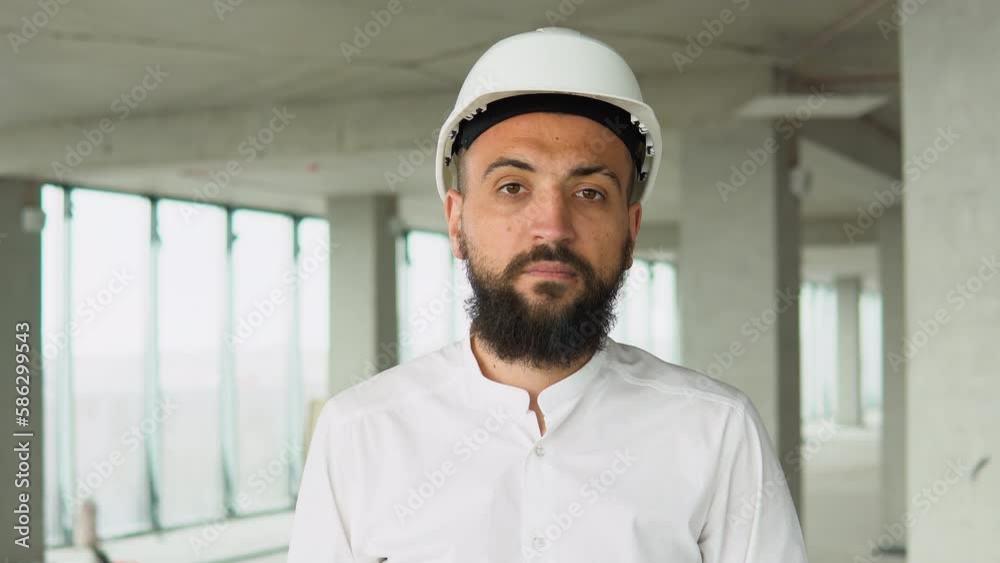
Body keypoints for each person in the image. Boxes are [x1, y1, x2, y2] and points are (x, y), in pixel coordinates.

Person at [287, 27, 807, 562]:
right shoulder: (361, 432)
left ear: (630, 232)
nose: (553, 228)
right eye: (513, 187)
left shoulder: (715, 430)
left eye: (589, 193)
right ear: (456, 221)